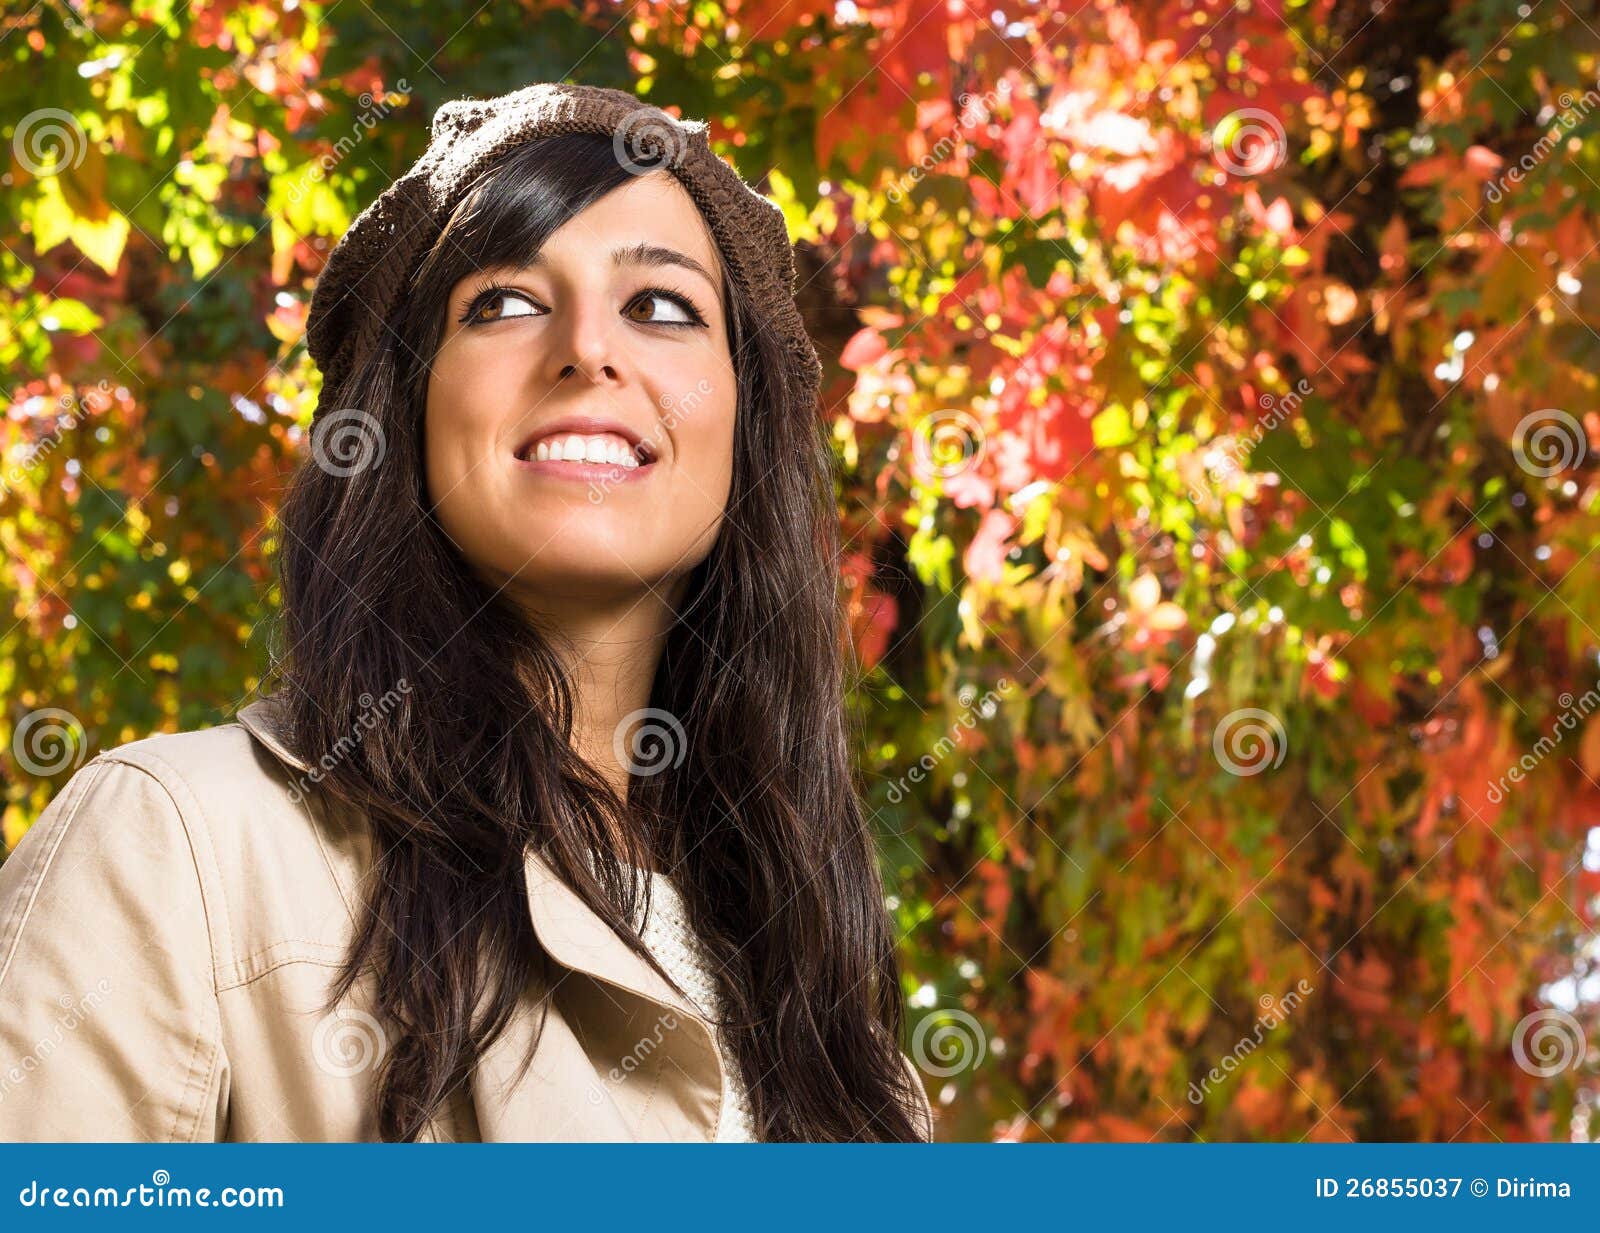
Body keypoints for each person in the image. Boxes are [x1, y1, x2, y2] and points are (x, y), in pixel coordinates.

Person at [0, 82, 933, 1143]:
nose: (589, 349)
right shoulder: (178, 848)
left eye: (661, 307)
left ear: (743, 423)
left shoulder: (839, 1039)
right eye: (504, 303)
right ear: (404, 413)